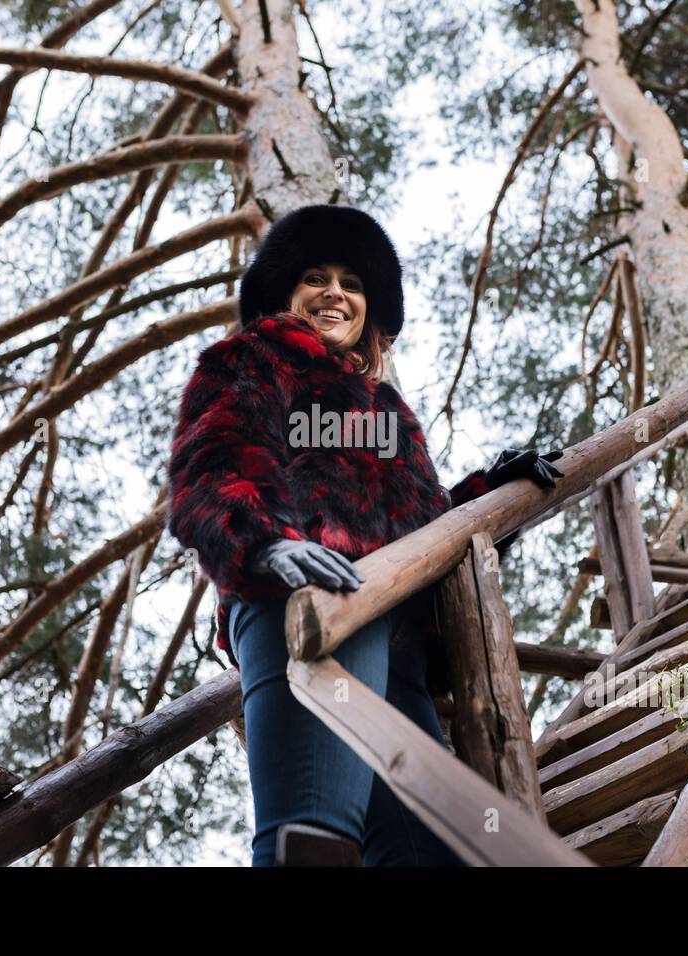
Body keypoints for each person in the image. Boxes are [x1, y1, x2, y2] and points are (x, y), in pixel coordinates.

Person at [166, 204, 562, 866]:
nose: (335, 294)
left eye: (351, 283)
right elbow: (212, 463)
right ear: (284, 294)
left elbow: (421, 529)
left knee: (435, 855)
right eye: (315, 278)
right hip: (303, 604)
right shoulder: (251, 359)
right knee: (312, 843)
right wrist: (265, 542)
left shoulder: (389, 414)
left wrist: (488, 496)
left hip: (397, 640)